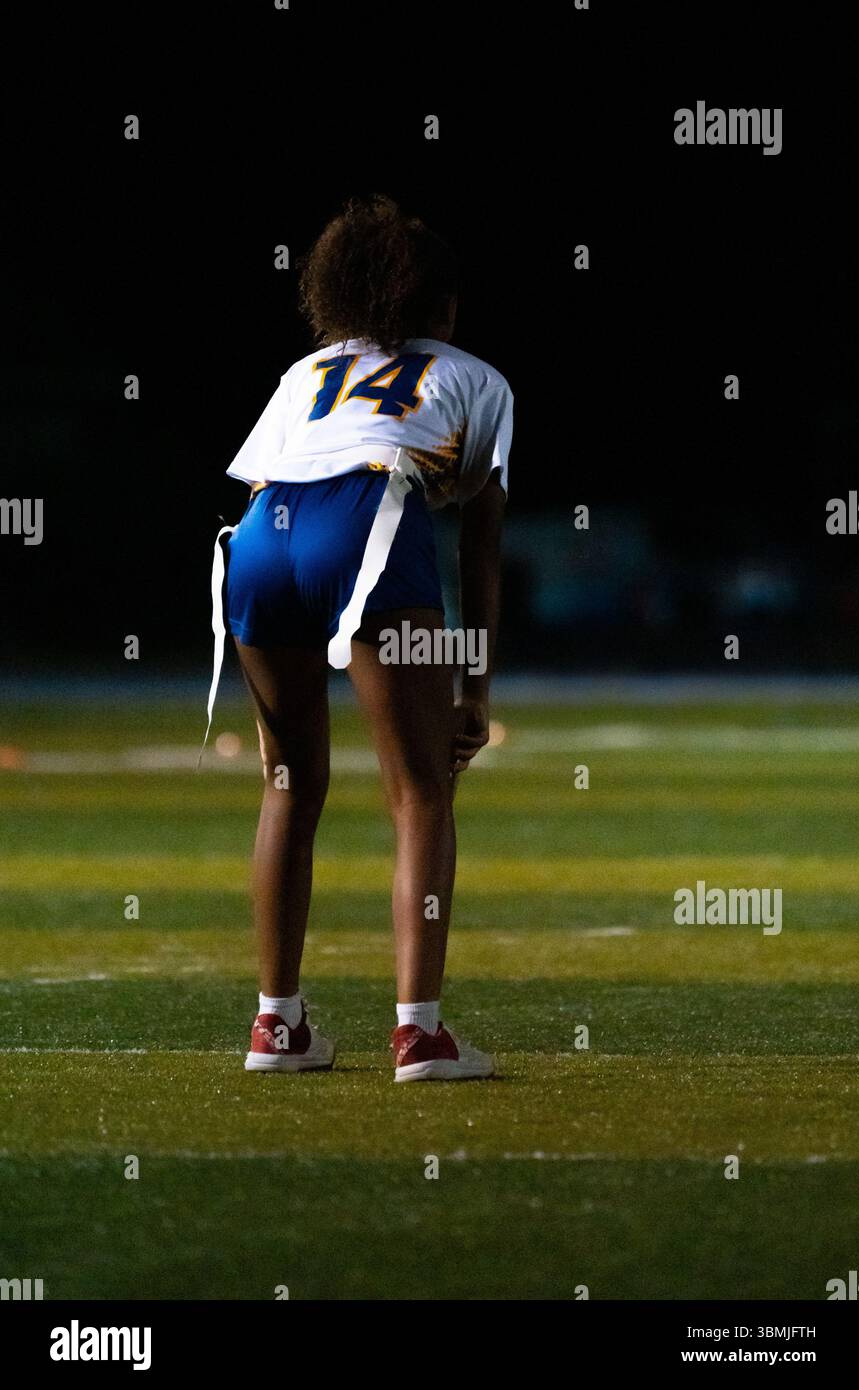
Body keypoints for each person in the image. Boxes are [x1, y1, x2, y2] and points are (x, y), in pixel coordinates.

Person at [216, 194, 513, 1081]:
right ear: (443, 305)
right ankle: (419, 1035)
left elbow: (279, 477)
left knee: (288, 784)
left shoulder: (304, 372)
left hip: (261, 539)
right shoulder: (476, 376)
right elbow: (480, 542)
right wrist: (475, 688)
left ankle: (279, 1028)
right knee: (420, 791)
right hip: (368, 521)